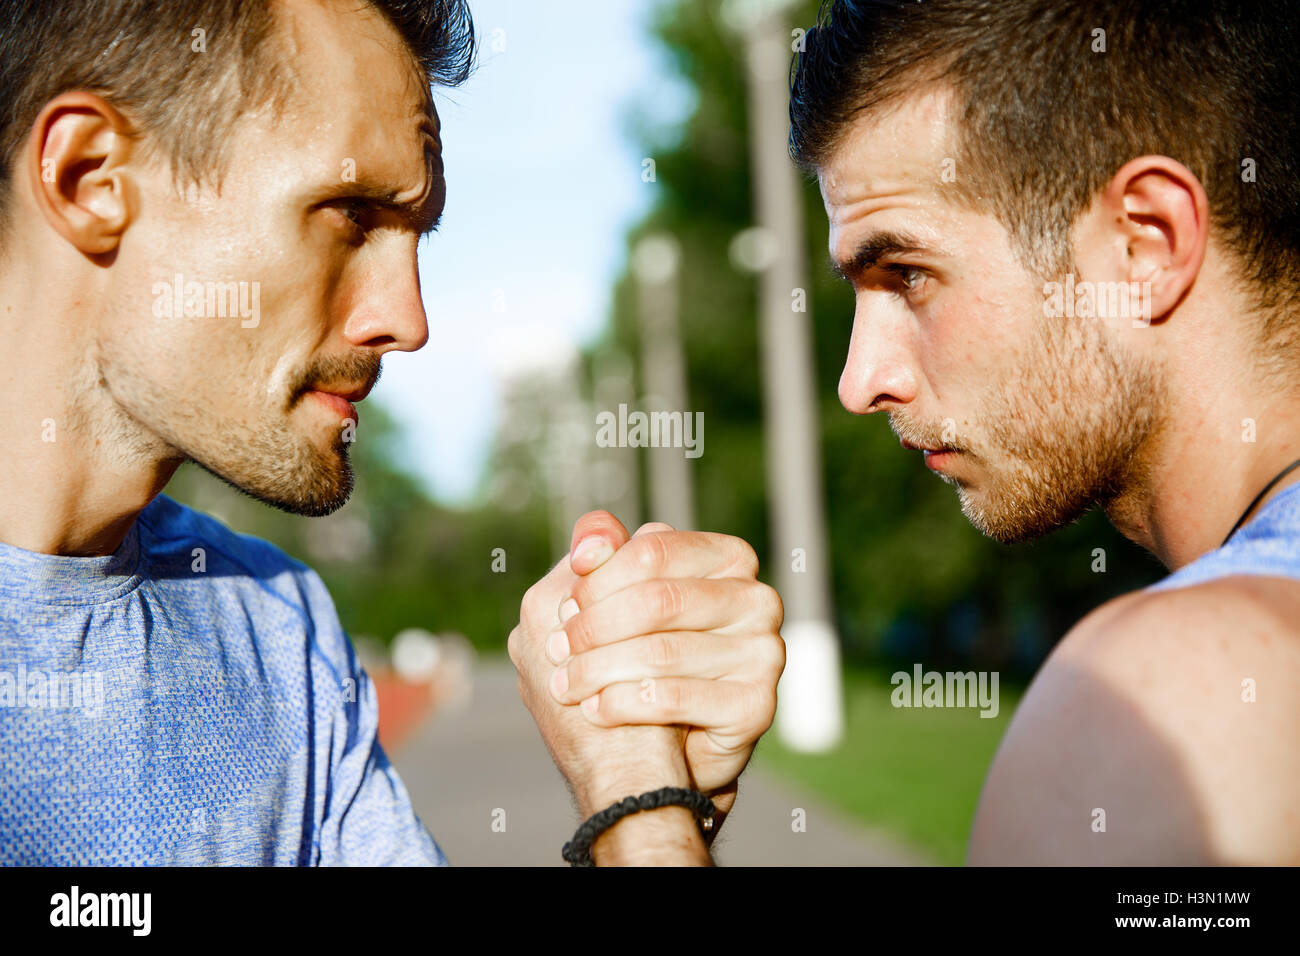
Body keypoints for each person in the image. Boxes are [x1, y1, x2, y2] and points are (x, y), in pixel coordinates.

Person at [0, 0, 783, 866]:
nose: (408, 322)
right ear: (90, 178)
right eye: (353, 214)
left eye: (416, 235)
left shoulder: (277, 625)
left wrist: (640, 793)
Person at [785, 0, 1300, 863]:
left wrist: (643, 808)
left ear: (1145, 246)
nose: (860, 381)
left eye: (906, 273)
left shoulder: (1176, 702)